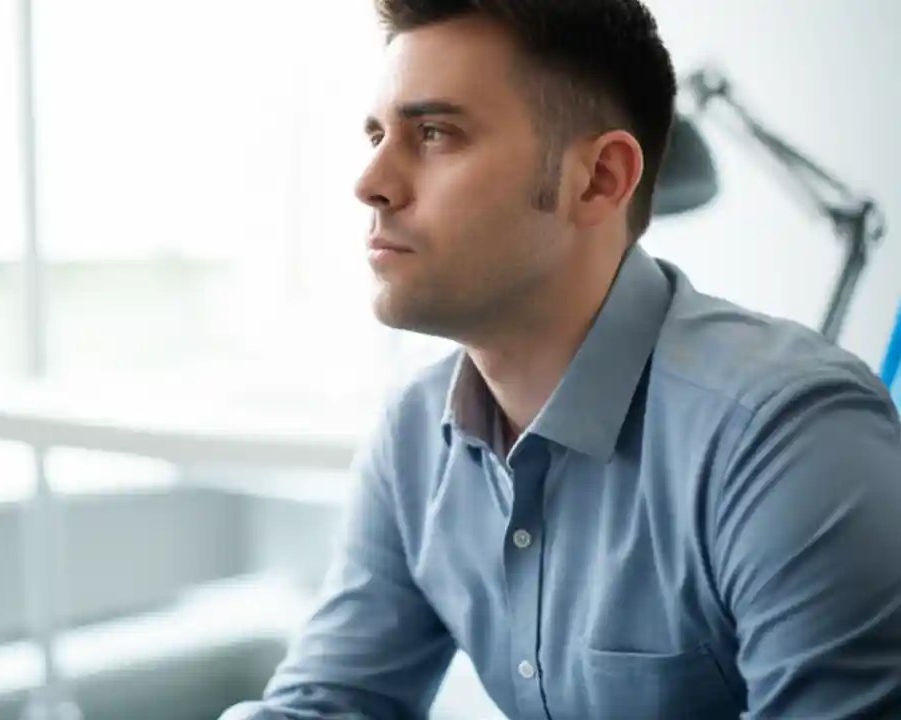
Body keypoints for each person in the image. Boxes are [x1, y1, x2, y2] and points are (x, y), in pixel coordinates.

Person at [221, 1, 901, 718]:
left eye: (434, 133)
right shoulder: (414, 439)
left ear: (600, 180)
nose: (370, 182)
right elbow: (329, 704)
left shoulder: (789, 439)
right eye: (376, 135)